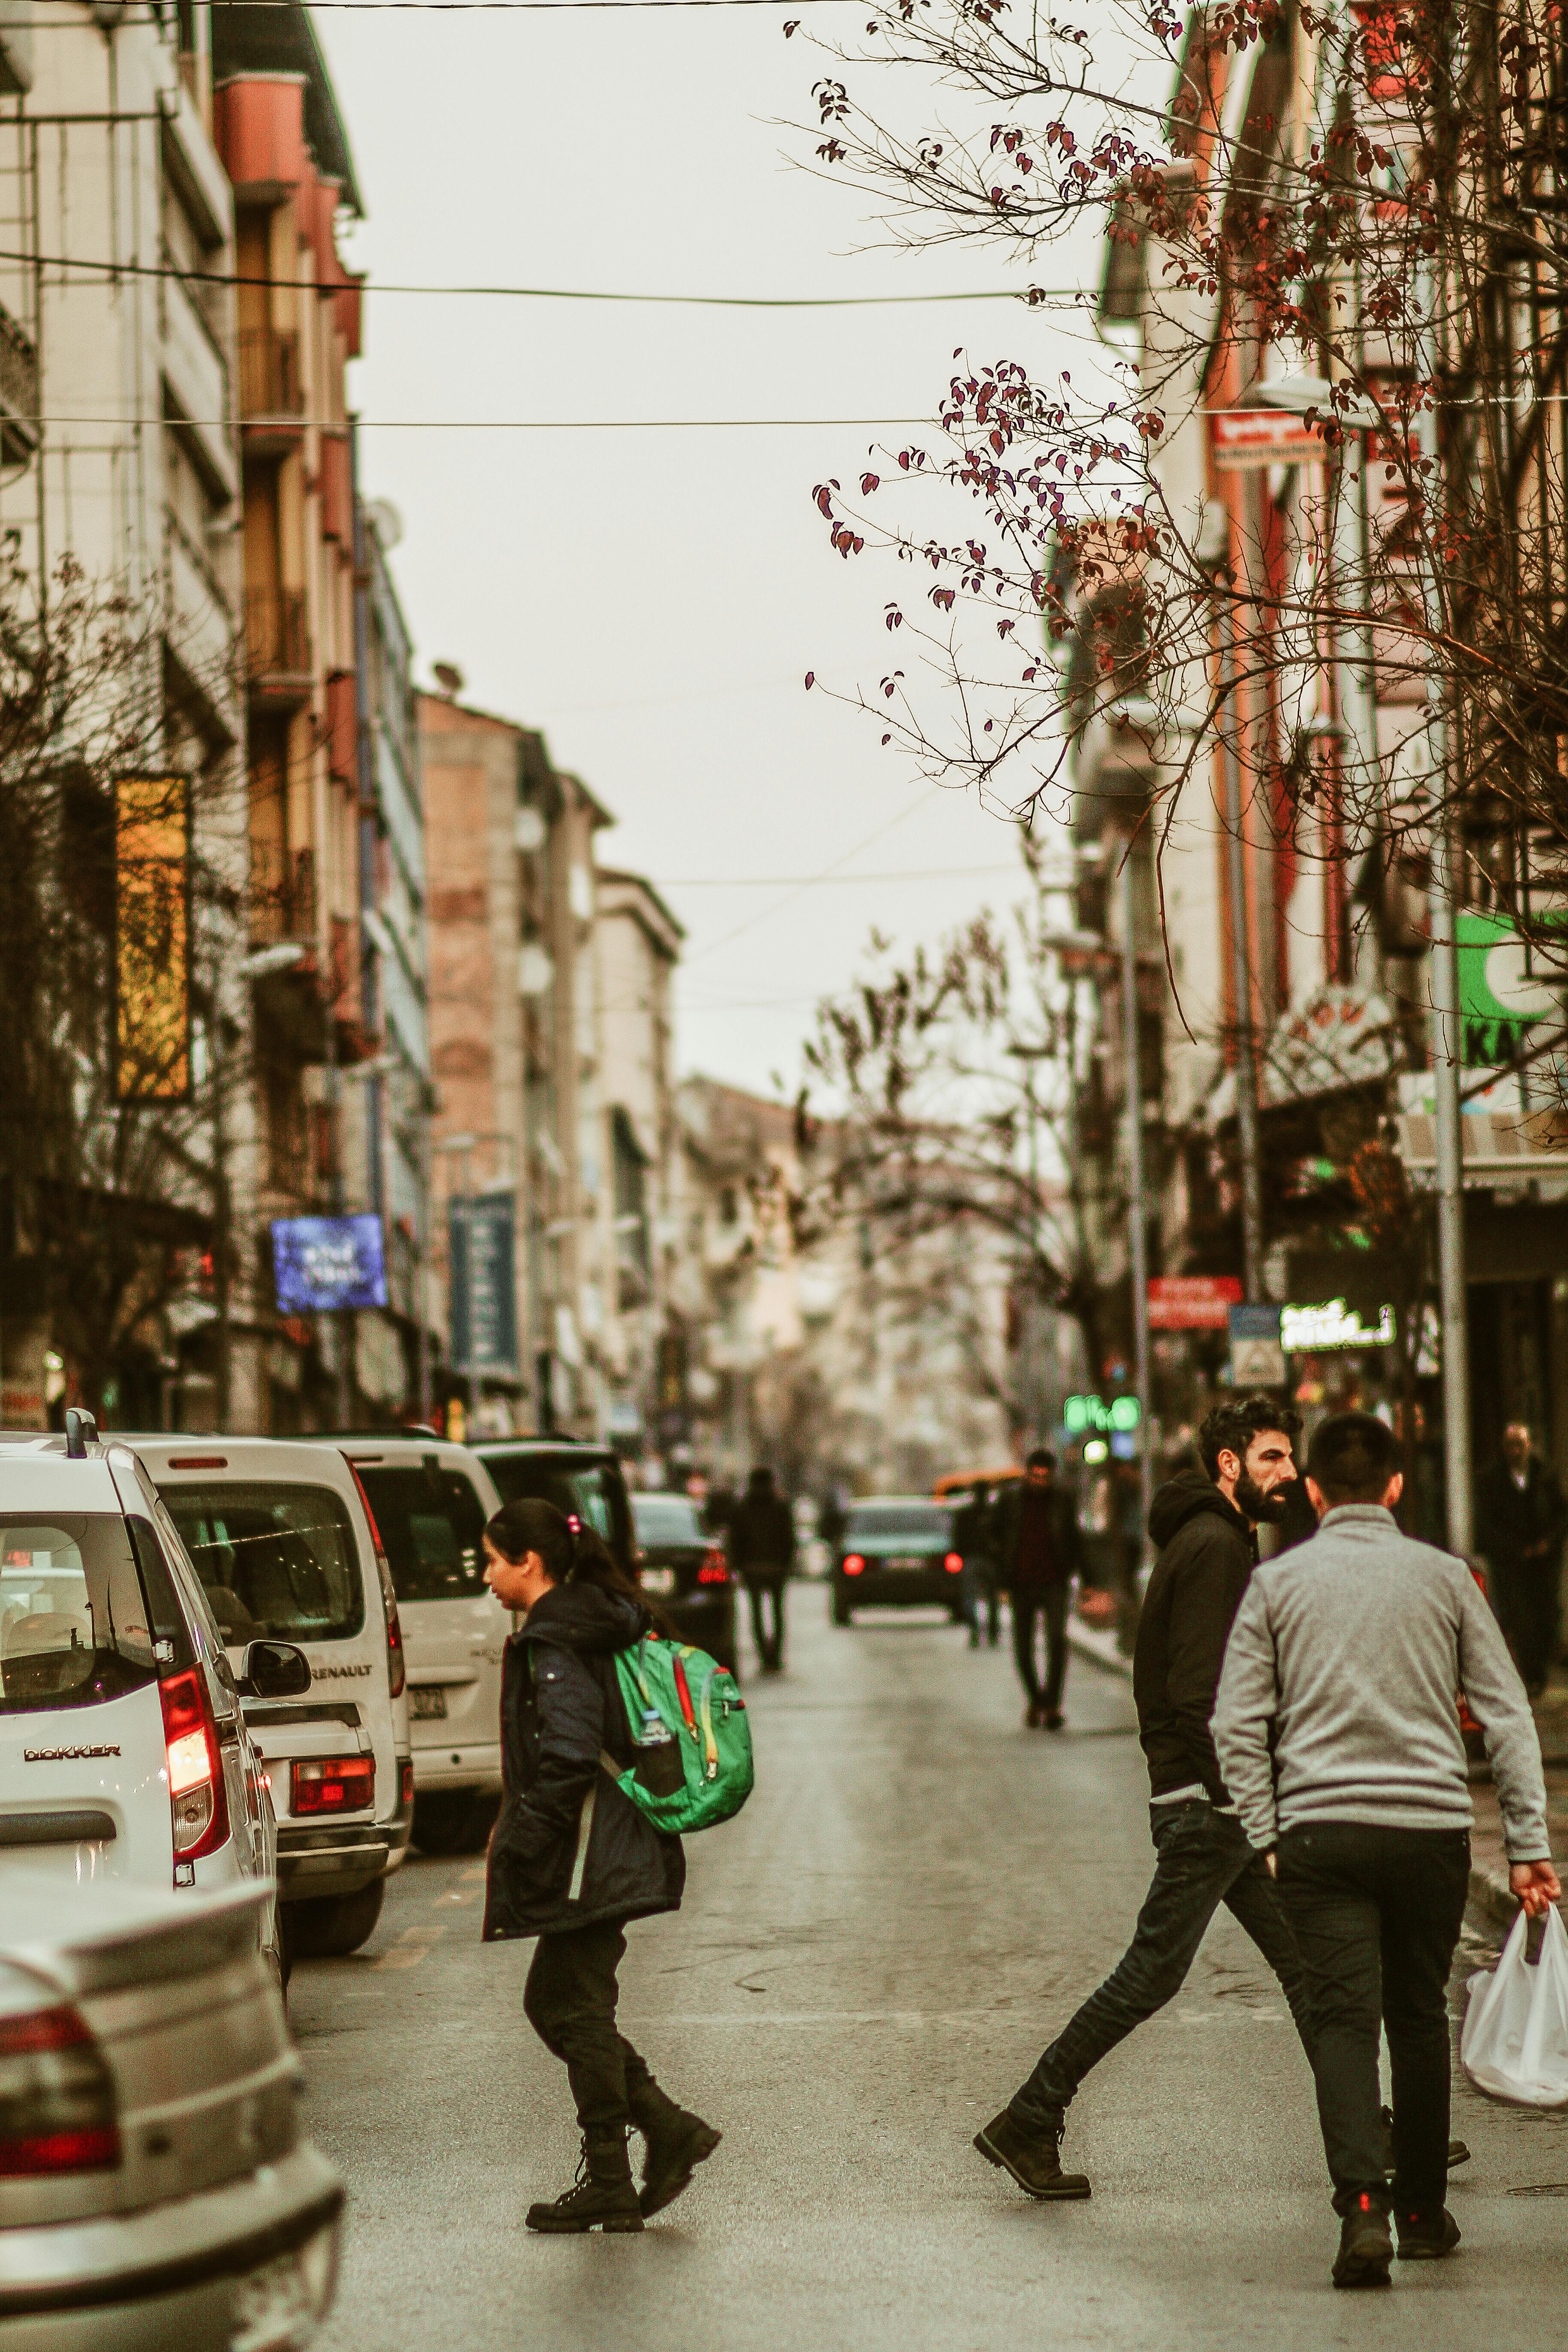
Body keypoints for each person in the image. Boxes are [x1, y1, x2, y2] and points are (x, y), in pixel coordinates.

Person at [1213, 1410, 1559, 2289]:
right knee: (1416, 2015)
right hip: (1429, 1835)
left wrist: (1264, 1833)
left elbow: (1234, 1725)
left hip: (1321, 1835)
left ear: (1316, 1490)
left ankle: (1361, 2207)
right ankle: (1422, 2211)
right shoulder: (1449, 1580)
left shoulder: (1276, 1587)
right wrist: (1527, 1845)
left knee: (1340, 2021)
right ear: (1399, 1485)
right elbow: (1509, 1715)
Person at [973, 1395, 1316, 2201]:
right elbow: (1196, 1691)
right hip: (1211, 1806)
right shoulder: (1214, 1549)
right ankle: (1028, 2114)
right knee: (1150, 1974)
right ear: (1229, 1463)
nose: (1288, 1473)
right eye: (1271, 1457)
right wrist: (1245, 1797)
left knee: (1310, 1965)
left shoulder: (1217, 1540)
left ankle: (1374, 2127)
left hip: (1209, 1800)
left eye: (1289, 1458)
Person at [481, 1498, 721, 2233]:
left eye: (492, 1560)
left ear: (530, 1562)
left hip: (589, 1850)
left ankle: (617, 2174)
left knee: (572, 2008)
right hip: (611, 1843)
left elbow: (569, 1750)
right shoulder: (590, 1618)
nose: (486, 1576)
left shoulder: (556, 1637)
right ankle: (660, 2129)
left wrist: (522, 1840)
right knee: (558, 2003)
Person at [1476, 1421, 1568, 1698]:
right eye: (1511, 1446)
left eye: (1521, 1445)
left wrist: (1547, 1545)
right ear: (1505, 1450)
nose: (1517, 1451)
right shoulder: (1493, 1480)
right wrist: (1515, 1550)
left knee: (1546, 1615)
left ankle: (1539, 1669)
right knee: (1520, 1618)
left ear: (1529, 1447)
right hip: (1511, 1563)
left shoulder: (1545, 1476)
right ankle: (1531, 1676)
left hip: (1544, 1563)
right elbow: (1488, 1526)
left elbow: (1561, 1515)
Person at [991, 1451, 1083, 1727]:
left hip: (1055, 1580)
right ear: (1027, 1473)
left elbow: (1074, 1537)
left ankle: (1052, 1704)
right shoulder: (1010, 1500)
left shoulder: (1063, 1500)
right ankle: (1036, 1700)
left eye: (1045, 1476)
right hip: (1020, 1582)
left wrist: (1085, 1576)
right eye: (1035, 1475)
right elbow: (993, 1533)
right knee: (1023, 1645)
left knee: (1057, 1640)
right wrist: (1001, 1566)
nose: (1040, 1481)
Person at [728, 1465, 795, 1673]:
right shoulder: (781, 1507)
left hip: (752, 1568)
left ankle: (764, 1657)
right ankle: (775, 1656)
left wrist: (739, 1565)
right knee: (777, 1613)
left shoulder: (743, 1508)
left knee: (756, 1613)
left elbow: (736, 1540)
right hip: (776, 1568)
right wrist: (786, 1562)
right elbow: (789, 1538)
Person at [950, 1480, 1000, 1649]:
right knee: (992, 1599)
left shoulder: (966, 1514)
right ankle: (992, 1632)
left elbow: (957, 1538)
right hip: (989, 1560)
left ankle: (975, 1630)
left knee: (970, 1597)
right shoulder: (993, 1513)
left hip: (972, 1559)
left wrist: (962, 1554)